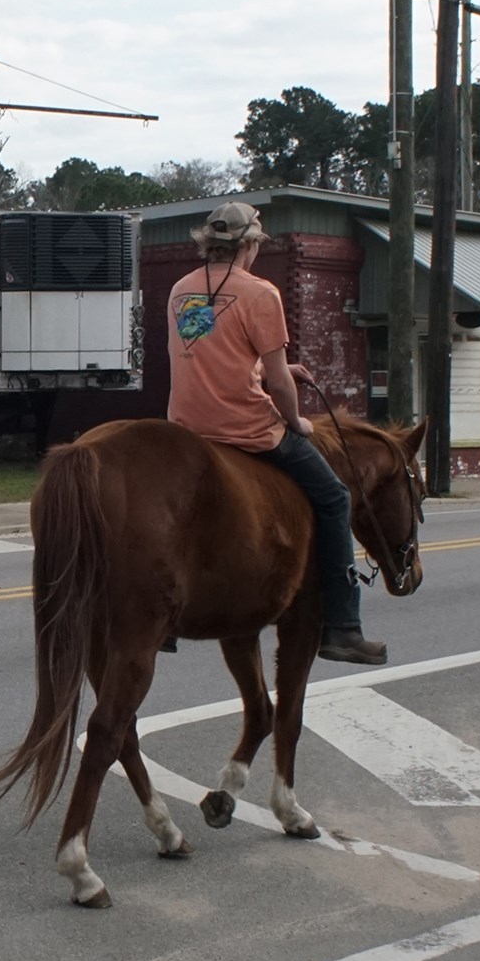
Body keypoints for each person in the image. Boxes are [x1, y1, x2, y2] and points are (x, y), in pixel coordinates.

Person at [165, 200, 384, 665]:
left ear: (210, 243)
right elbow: (278, 381)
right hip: (246, 427)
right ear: (249, 245)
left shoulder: (182, 291)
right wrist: (294, 419)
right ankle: (343, 626)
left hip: (188, 426)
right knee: (334, 498)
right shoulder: (260, 293)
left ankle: (163, 622)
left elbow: (212, 355)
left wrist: (271, 371)